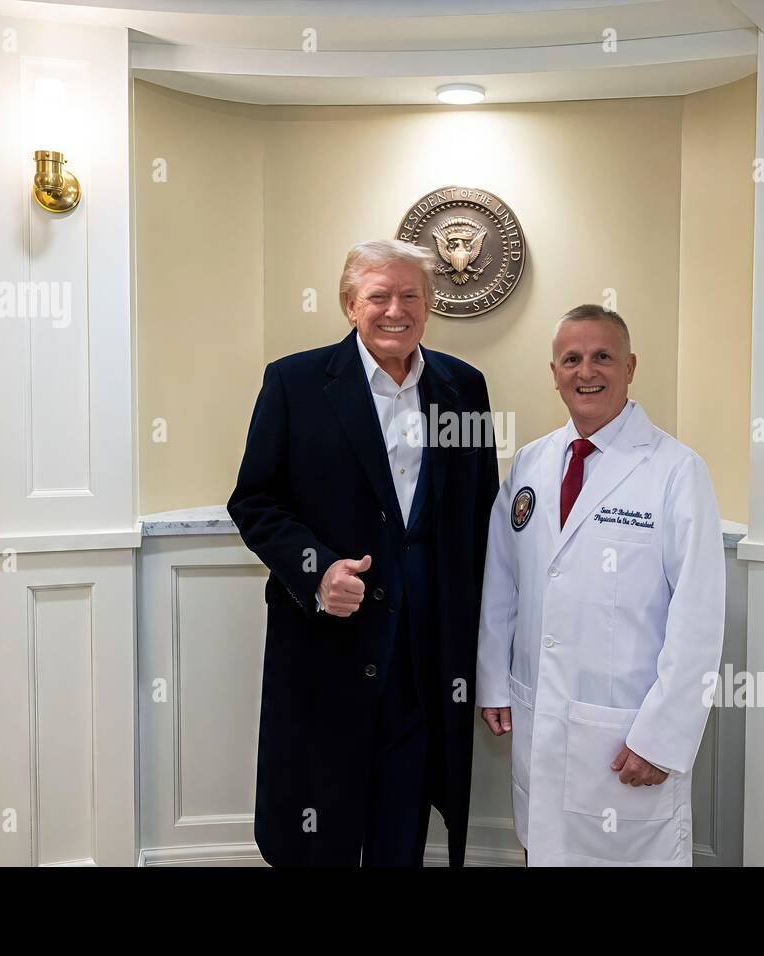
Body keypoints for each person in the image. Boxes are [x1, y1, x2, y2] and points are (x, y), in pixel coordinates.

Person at [228, 239, 498, 866]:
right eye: (379, 296)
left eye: (410, 295)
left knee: (402, 817)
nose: (395, 309)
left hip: (425, 652)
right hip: (330, 645)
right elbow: (255, 500)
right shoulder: (294, 382)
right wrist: (316, 571)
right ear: (351, 304)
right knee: (317, 818)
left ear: (429, 305)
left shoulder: (466, 387)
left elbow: (477, 510)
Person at [476, 304, 725, 866]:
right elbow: (502, 582)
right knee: (544, 850)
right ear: (555, 371)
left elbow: (699, 618)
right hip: (542, 719)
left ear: (630, 366)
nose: (586, 371)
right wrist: (493, 680)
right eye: (572, 359)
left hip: (627, 732)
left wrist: (661, 737)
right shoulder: (532, 466)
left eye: (602, 357)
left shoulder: (676, 471)